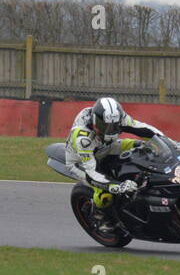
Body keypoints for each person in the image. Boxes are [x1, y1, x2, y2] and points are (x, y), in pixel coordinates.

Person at [63, 97, 164, 232]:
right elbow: (92, 174)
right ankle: (100, 215)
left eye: (114, 126)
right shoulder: (83, 138)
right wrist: (118, 186)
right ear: (95, 122)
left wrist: (166, 142)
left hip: (105, 147)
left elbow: (143, 128)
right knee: (105, 193)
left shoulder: (119, 118)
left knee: (142, 147)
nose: (111, 130)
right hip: (81, 161)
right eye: (106, 126)